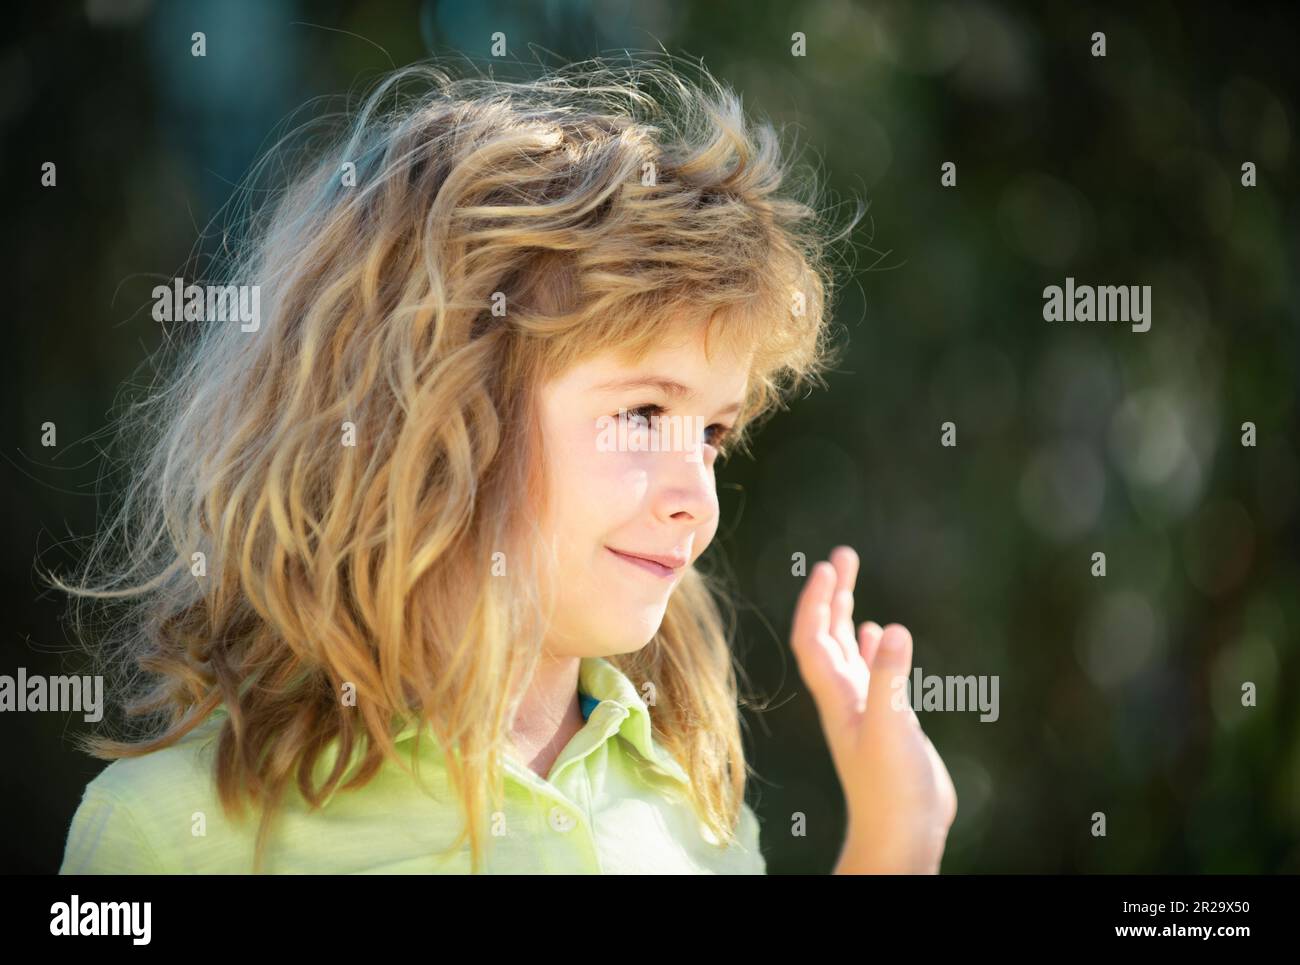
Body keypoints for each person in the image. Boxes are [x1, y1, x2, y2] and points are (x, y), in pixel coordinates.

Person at [53, 54, 955, 874]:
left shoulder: (689, 802)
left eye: (713, 434)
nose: (699, 504)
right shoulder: (173, 832)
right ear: (430, 418)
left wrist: (898, 834)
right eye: (642, 413)